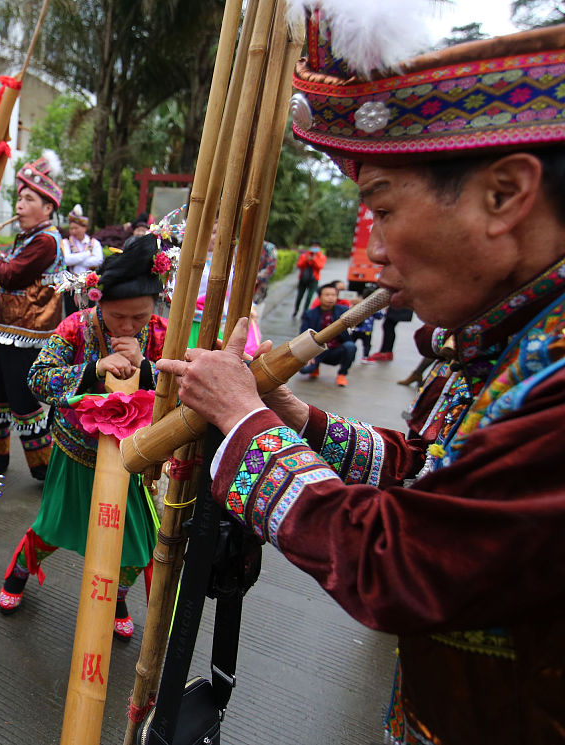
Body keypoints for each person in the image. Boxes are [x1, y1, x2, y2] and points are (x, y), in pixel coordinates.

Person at [158, 13, 565, 745]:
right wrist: (294, 418)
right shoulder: (516, 338)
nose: (372, 253)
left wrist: (246, 425)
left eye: (382, 206)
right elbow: (430, 475)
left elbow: (406, 561)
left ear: (505, 194)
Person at [0, 235, 169, 638]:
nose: (127, 326)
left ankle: (116, 598)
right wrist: (94, 369)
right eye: (117, 315)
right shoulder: (75, 327)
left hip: (131, 456)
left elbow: (181, 387)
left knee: (136, 543)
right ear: (98, 300)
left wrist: (145, 368)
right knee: (53, 527)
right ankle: (19, 571)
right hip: (76, 451)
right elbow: (38, 379)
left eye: (139, 317)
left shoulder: (162, 332)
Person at [0, 152, 67, 480]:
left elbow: (9, 275)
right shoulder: (30, 237)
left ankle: (45, 468)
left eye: (29, 199)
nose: (20, 205)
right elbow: (8, 266)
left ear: (48, 208)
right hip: (4, 330)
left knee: (23, 402)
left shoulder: (46, 241)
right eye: (19, 199)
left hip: (26, 335)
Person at [298, 282, 356, 386]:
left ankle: (342, 374)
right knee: (304, 369)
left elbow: (357, 321)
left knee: (351, 346)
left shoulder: (343, 311)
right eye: (327, 295)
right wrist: (308, 354)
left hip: (336, 350)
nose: (330, 298)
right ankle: (315, 367)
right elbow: (303, 335)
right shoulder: (310, 314)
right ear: (319, 297)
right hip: (318, 351)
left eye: (333, 295)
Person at [62, 204, 104, 314]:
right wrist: (87, 254)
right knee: (71, 314)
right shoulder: (66, 242)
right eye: (71, 228)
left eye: (76, 228)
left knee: (88, 314)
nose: (73, 231)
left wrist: (76, 260)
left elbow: (98, 260)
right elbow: (67, 260)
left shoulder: (94, 243)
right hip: (71, 287)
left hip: (89, 286)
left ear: (84, 228)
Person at [291, 242, 326, 316]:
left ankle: (305, 313)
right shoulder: (304, 255)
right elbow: (299, 265)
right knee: (299, 296)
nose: (315, 248)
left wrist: (314, 259)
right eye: (313, 246)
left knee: (309, 297)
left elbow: (320, 266)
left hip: (314, 280)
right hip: (303, 279)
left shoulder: (321, 256)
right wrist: (306, 260)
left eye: (316, 246)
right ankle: (296, 310)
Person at [254, 240, 278, 304]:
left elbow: (271, 267)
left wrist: (255, 277)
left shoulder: (270, 247)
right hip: (239, 290)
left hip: (258, 290)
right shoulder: (242, 245)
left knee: (255, 308)